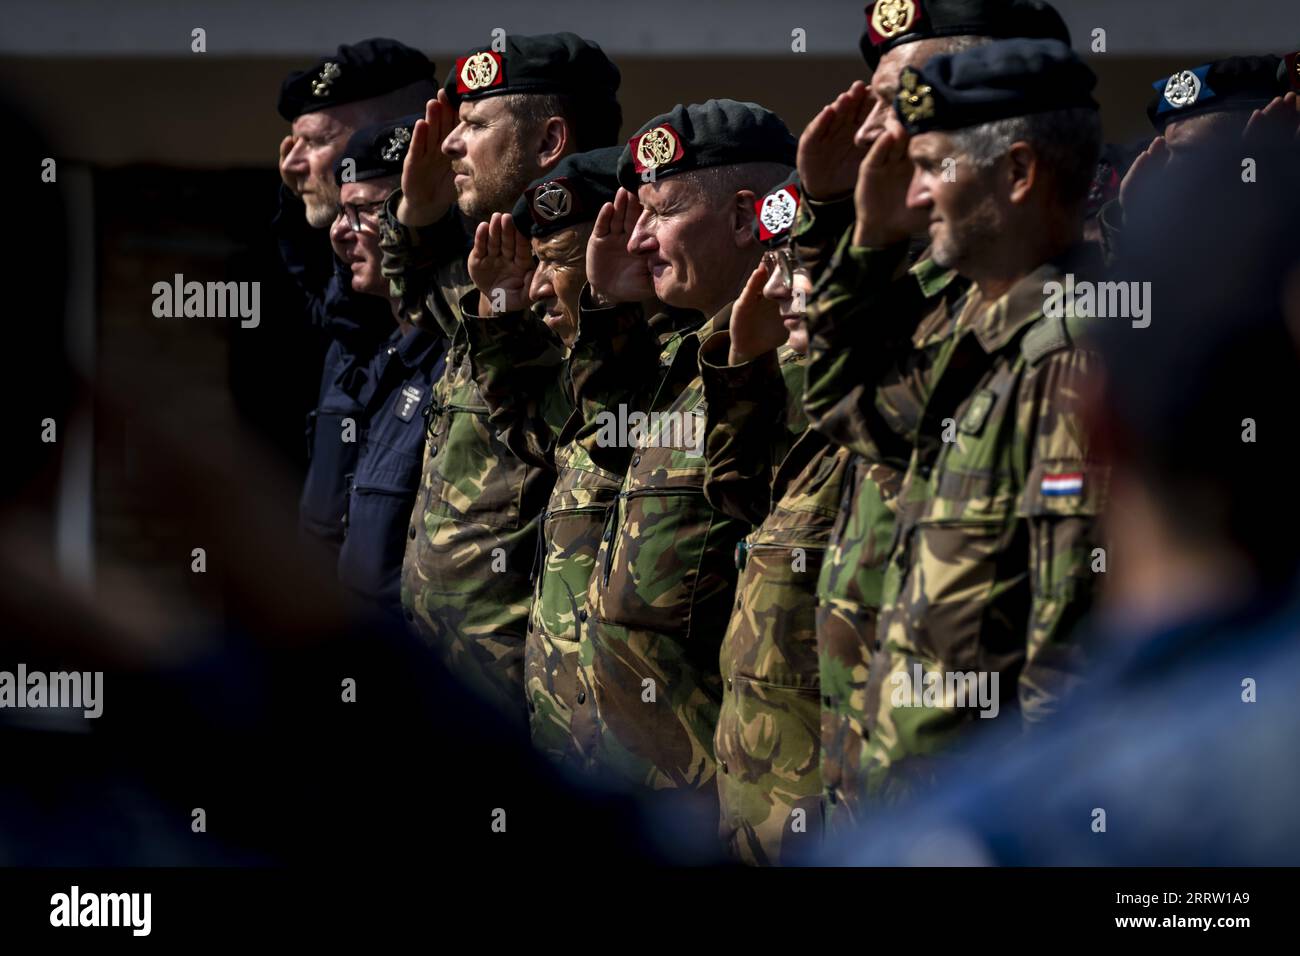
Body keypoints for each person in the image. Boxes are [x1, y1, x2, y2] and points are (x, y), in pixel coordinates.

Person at [831, 135, 1300, 865]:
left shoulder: (1014, 822)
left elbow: (1058, 648)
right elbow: (849, 406)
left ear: (1100, 424)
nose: (915, 189)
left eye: (931, 164)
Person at [795, 0, 1071, 828]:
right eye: (883, 107)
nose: (881, 137)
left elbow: (1071, 662)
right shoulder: (947, 296)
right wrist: (847, 227)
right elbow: (847, 411)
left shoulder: (1065, 335)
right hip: (881, 790)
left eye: (909, 107)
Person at [379, 33, 623, 724]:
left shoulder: (591, 286)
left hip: (526, 691)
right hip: (453, 675)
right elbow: (418, 301)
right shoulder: (502, 262)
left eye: (476, 125)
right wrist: (419, 216)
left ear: (549, 140)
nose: (452, 144)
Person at [575, 99, 796, 794]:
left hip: (726, 792)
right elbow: (596, 451)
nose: (638, 238)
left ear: (740, 218)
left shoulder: (791, 363)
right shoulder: (679, 359)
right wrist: (612, 307)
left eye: (662, 212)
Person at [454, 146, 671, 769]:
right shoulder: (581, 382)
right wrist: (497, 308)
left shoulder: (670, 377)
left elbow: (616, 439)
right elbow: (526, 434)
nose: (540, 286)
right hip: (566, 742)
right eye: (537, 265)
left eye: (562, 262)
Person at [698, 173, 848, 864]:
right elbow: (739, 501)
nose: (782, 287)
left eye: (805, 266)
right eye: (776, 266)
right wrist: (747, 367)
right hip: (755, 815)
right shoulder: (804, 409)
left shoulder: (876, 431)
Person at [273, 38, 438, 554]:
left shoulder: (455, 315)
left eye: (315, 142)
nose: (292, 164)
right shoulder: (361, 307)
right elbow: (328, 295)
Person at [325, 117, 447, 616]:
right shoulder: (384, 355)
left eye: (362, 212)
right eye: (339, 212)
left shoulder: (458, 359)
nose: (339, 233)